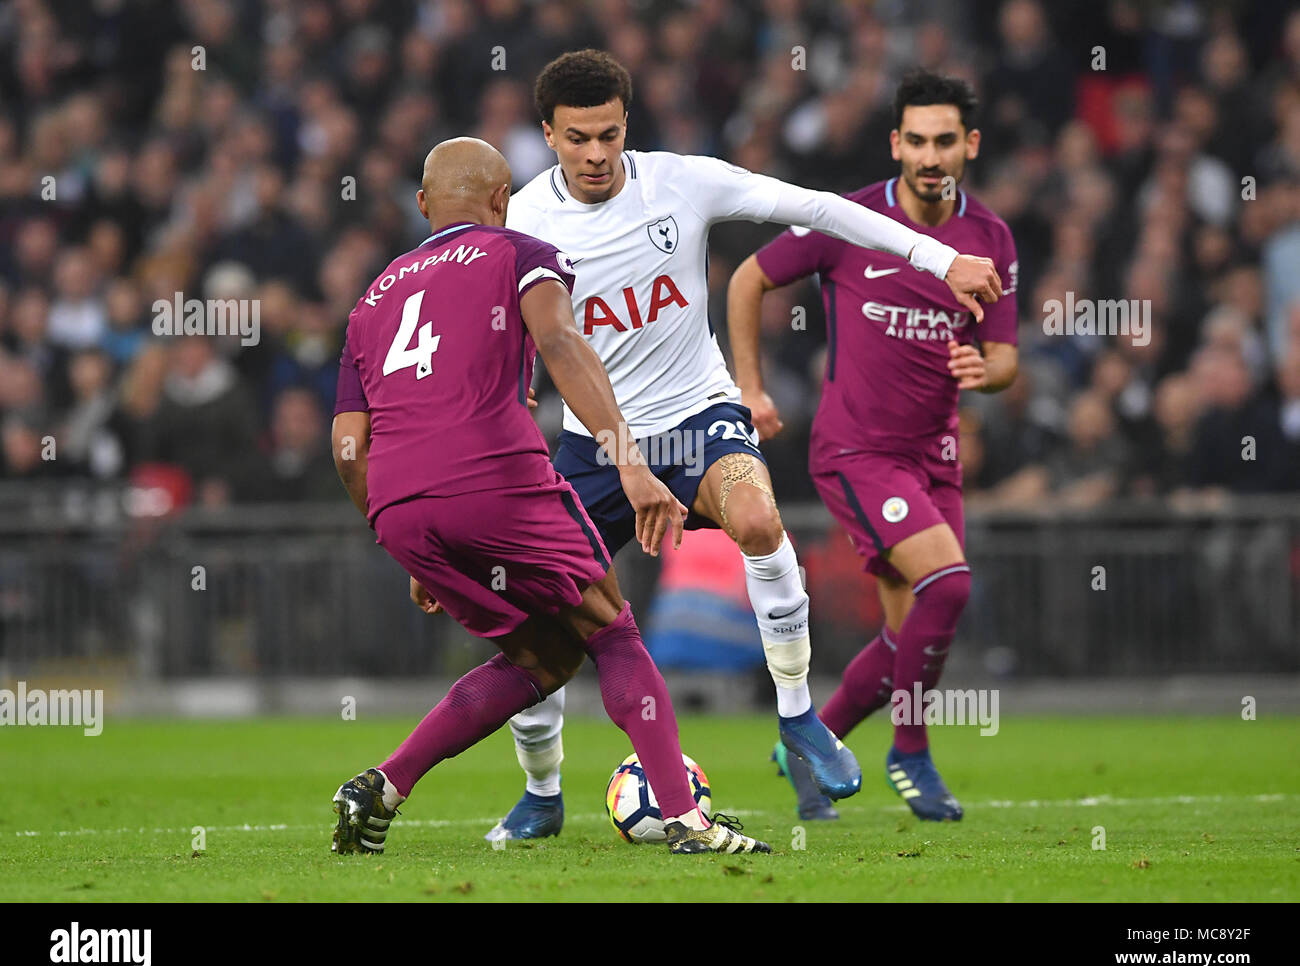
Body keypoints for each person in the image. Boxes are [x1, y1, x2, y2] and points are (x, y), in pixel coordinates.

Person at [488, 49, 1002, 842]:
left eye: (611, 136)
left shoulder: (682, 181)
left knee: (761, 524)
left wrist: (941, 258)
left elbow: (823, 208)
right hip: (597, 447)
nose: (597, 155)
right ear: (548, 134)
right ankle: (542, 792)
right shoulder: (522, 222)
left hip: (699, 419)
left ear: (630, 126)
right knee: (541, 621)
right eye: (578, 138)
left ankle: (799, 720)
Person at [329, 137, 768, 856]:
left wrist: (404, 534)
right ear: (501, 201)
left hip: (403, 507)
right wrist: (629, 464)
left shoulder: (371, 301)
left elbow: (349, 445)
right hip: (495, 479)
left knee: (541, 660)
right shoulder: (518, 252)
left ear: (421, 206)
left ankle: (383, 784)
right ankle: (689, 821)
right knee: (613, 631)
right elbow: (564, 345)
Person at [728, 70, 1020, 821]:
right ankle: (910, 752)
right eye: (916, 140)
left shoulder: (989, 237)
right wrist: (750, 390)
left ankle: (809, 743)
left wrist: (984, 374)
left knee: (904, 639)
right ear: (895, 143)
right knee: (948, 586)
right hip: (858, 452)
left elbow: (1006, 355)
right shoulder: (849, 221)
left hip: (938, 458)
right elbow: (746, 280)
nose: (930, 155)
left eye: (945, 141)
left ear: (970, 146)